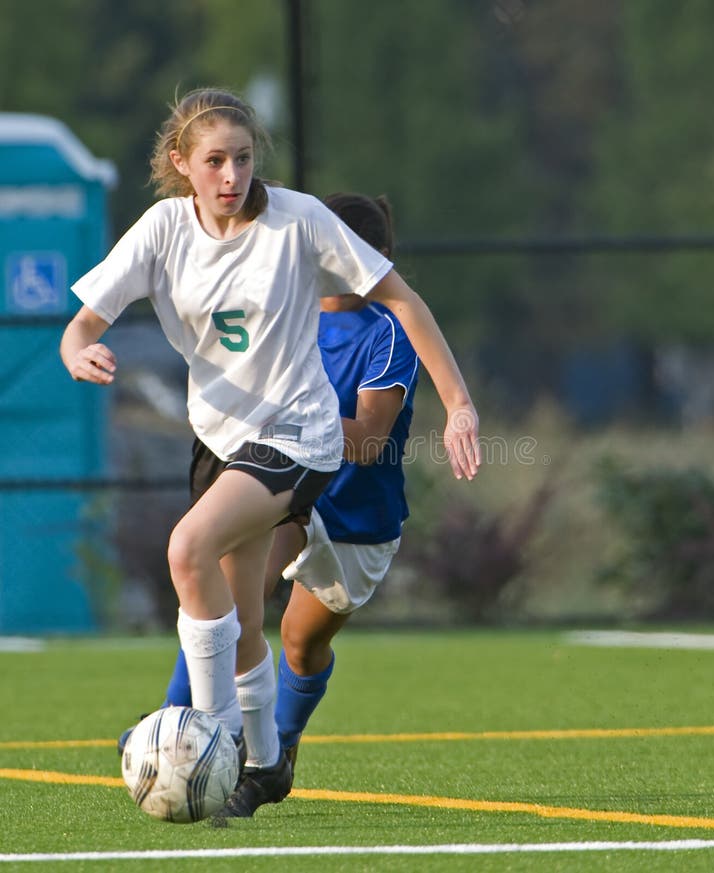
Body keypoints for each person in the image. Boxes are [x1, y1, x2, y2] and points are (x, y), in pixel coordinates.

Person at [60, 88, 479, 818]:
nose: (232, 175)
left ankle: (213, 738)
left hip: (297, 438)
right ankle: (261, 761)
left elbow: (406, 300)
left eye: (244, 158)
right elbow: (85, 319)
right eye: (215, 160)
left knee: (190, 548)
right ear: (180, 163)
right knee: (242, 615)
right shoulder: (162, 229)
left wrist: (461, 405)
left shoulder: (298, 220)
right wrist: (77, 348)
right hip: (220, 438)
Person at [151, 192, 419, 806]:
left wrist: (301, 416)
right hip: (296, 491)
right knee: (228, 589)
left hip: (359, 517)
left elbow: (370, 441)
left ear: (377, 261)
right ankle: (173, 722)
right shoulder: (286, 312)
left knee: (302, 642)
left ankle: (281, 748)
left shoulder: (388, 334)